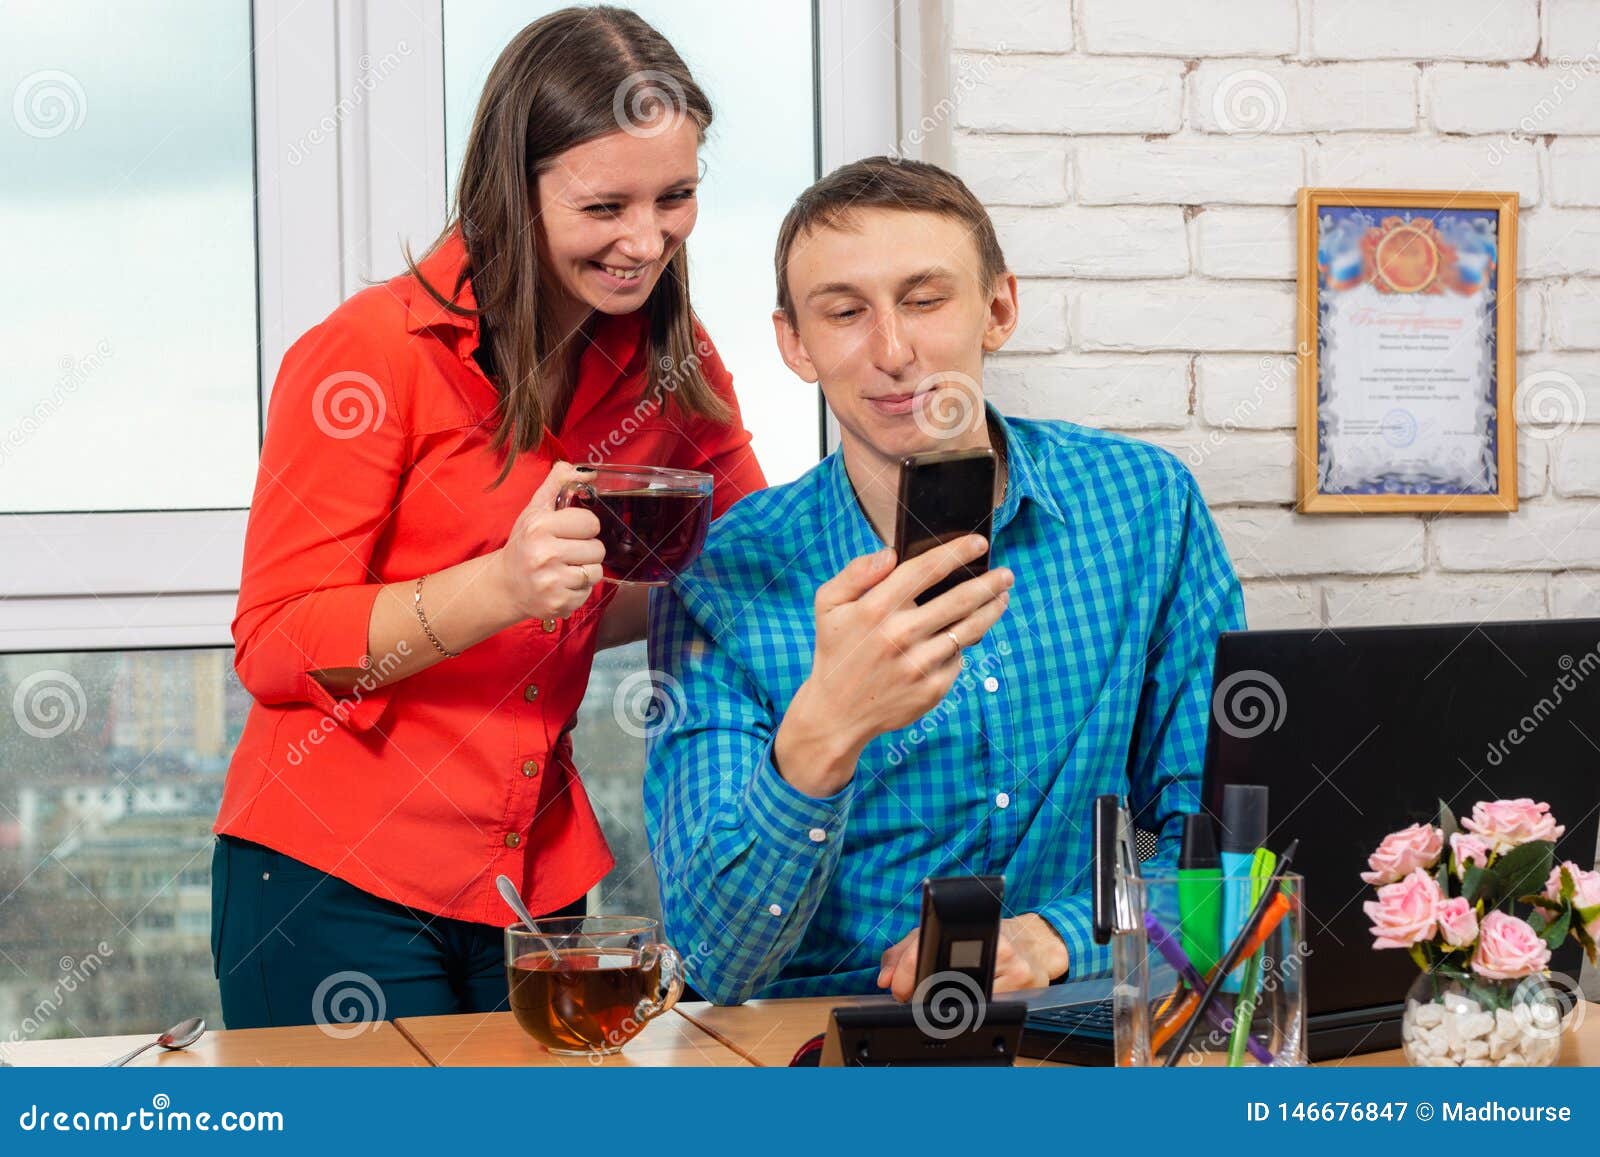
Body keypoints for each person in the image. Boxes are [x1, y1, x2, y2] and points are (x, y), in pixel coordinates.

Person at [211, 7, 765, 1028]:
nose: (646, 240)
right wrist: (501, 586)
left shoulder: (671, 361)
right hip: (334, 879)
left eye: (676, 197)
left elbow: (747, 553)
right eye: (606, 205)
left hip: (536, 879)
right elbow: (277, 641)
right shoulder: (370, 353)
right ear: (513, 189)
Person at [644, 157, 1244, 1005]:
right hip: (826, 1049)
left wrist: (1068, 935)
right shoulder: (719, 575)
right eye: (845, 313)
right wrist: (824, 732)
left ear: (997, 309)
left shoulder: (1144, 507)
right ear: (794, 343)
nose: (893, 351)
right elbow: (714, 961)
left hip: (1078, 1029)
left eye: (925, 300)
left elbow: (1217, 848)